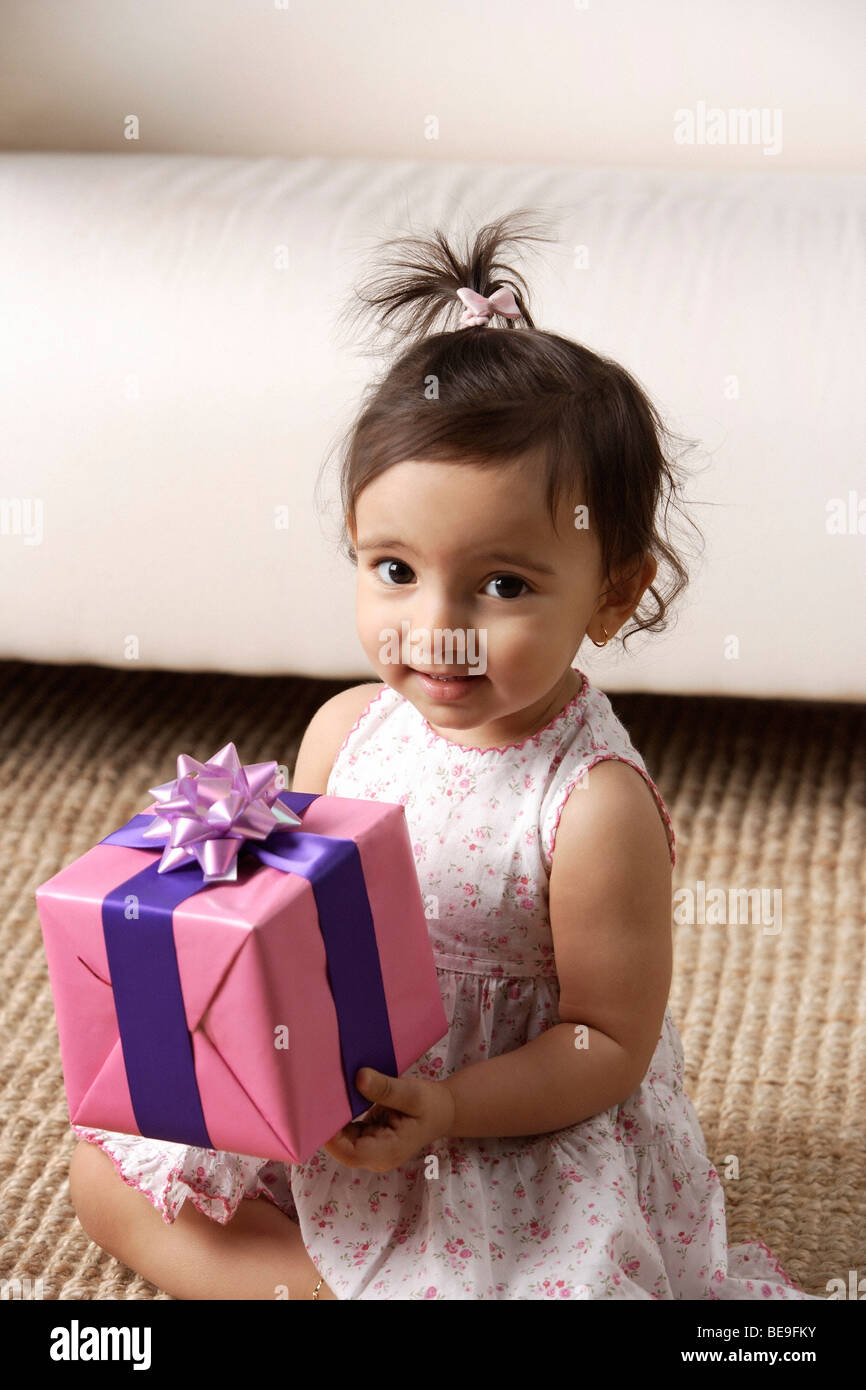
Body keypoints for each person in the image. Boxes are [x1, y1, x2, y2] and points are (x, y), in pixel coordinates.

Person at [69, 210, 820, 1300]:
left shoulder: (589, 805)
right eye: (392, 570)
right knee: (107, 1176)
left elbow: (603, 1042)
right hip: (336, 1095)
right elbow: (289, 925)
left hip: (507, 1125)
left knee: (526, 1277)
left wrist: (455, 1107)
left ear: (614, 593)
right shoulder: (346, 729)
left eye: (502, 584)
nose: (437, 626)